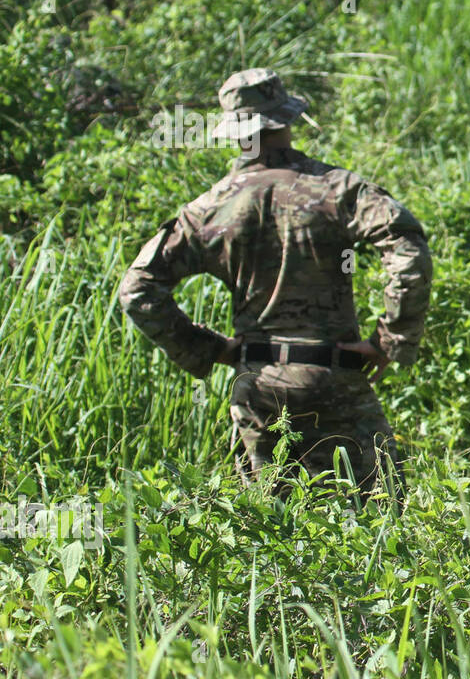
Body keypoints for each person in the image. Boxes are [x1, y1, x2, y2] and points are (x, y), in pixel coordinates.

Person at [118, 68, 431, 497]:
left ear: (234, 131)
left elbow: (137, 289)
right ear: (286, 119)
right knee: (382, 526)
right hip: (335, 377)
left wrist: (208, 350)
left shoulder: (209, 208)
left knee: (268, 540)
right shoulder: (337, 190)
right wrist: (390, 339)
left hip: (259, 388)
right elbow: (406, 245)